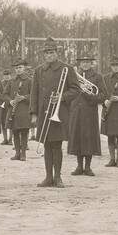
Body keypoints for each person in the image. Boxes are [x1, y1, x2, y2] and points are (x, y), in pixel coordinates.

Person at [30, 39, 74, 188]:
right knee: (47, 145)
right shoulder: (38, 70)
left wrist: (61, 97)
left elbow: (75, 90)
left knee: (57, 145)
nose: (49, 55)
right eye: (47, 53)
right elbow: (34, 93)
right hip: (44, 112)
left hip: (59, 113)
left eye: (52, 52)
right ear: (44, 54)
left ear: (57, 53)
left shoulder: (66, 69)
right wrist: (34, 113)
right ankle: (48, 177)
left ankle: (58, 177)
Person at [67, 52, 104, 176]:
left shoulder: (97, 77)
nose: (85, 64)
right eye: (83, 62)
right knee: (77, 138)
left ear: (91, 63)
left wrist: (90, 97)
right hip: (76, 110)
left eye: (87, 62)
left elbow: (103, 95)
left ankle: (87, 167)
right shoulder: (74, 76)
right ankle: (79, 166)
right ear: (80, 63)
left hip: (89, 112)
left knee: (89, 139)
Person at [8, 58, 33, 161]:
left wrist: (24, 97)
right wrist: (10, 101)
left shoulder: (29, 80)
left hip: (24, 110)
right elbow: (4, 94)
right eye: (16, 68)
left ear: (25, 68)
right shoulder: (12, 81)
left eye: (20, 67)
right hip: (13, 110)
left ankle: (23, 154)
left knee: (24, 132)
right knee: (15, 131)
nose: (18, 70)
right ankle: (17, 153)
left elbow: (34, 95)